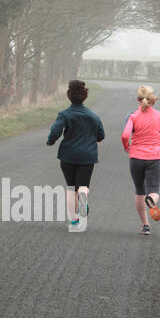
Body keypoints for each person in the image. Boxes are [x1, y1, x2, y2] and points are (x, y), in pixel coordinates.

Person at [46, 79, 105, 232]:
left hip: (68, 156)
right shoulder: (93, 116)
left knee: (71, 188)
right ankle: (84, 197)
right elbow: (101, 135)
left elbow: (55, 131)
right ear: (85, 96)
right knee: (83, 186)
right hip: (87, 156)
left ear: (69, 96)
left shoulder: (64, 114)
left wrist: (50, 141)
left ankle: (74, 221)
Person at [121, 85, 160, 235]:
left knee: (139, 191)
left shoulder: (132, 116)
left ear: (138, 99)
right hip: (154, 157)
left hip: (136, 157)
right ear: (153, 100)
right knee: (153, 190)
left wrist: (126, 146)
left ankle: (146, 225)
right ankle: (152, 200)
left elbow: (125, 135)